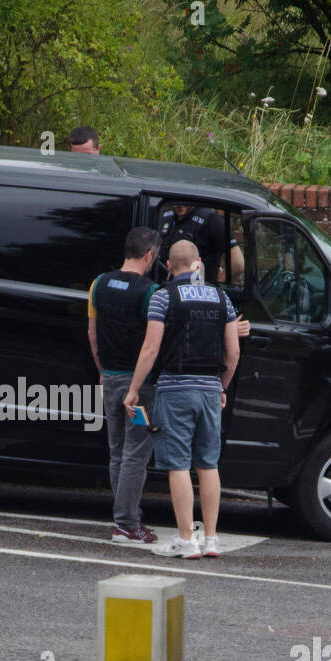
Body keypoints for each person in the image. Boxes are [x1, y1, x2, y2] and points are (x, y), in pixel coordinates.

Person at [124, 239, 240, 559]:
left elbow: (150, 349)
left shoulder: (163, 298)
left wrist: (134, 388)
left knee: (178, 465)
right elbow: (233, 352)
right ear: (198, 263)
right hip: (208, 391)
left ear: (169, 267)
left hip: (174, 390)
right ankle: (213, 538)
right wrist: (221, 387)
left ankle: (187, 539)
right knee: (208, 463)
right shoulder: (222, 298)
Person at [88, 227, 161, 543]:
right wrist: (139, 383)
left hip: (110, 378)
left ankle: (124, 520)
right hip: (139, 388)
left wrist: (103, 370)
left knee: (117, 451)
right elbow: (152, 344)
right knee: (136, 453)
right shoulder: (151, 292)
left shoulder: (98, 284)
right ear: (149, 255)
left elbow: (92, 335)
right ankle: (127, 525)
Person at [159, 204, 226, 288]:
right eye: (177, 200)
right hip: (169, 287)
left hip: (202, 290)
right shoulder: (164, 215)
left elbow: (238, 263)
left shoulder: (211, 219)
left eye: (184, 200)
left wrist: (214, 287)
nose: (179, 204)